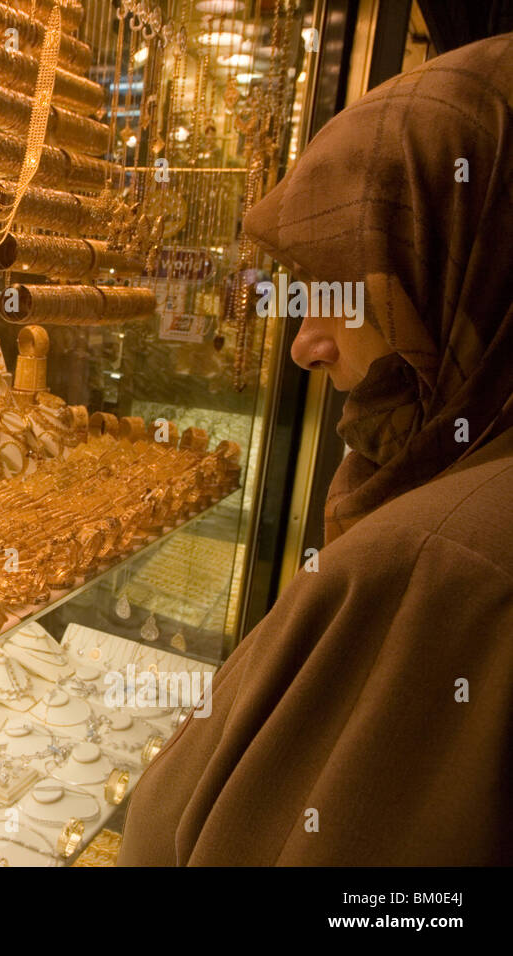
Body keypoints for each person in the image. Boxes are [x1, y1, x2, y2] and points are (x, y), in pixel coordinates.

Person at [119, 33, 513, 865]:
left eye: (347, 291)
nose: (305, 346)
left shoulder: (431, 565)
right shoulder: (454, 489)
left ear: (460, 267)